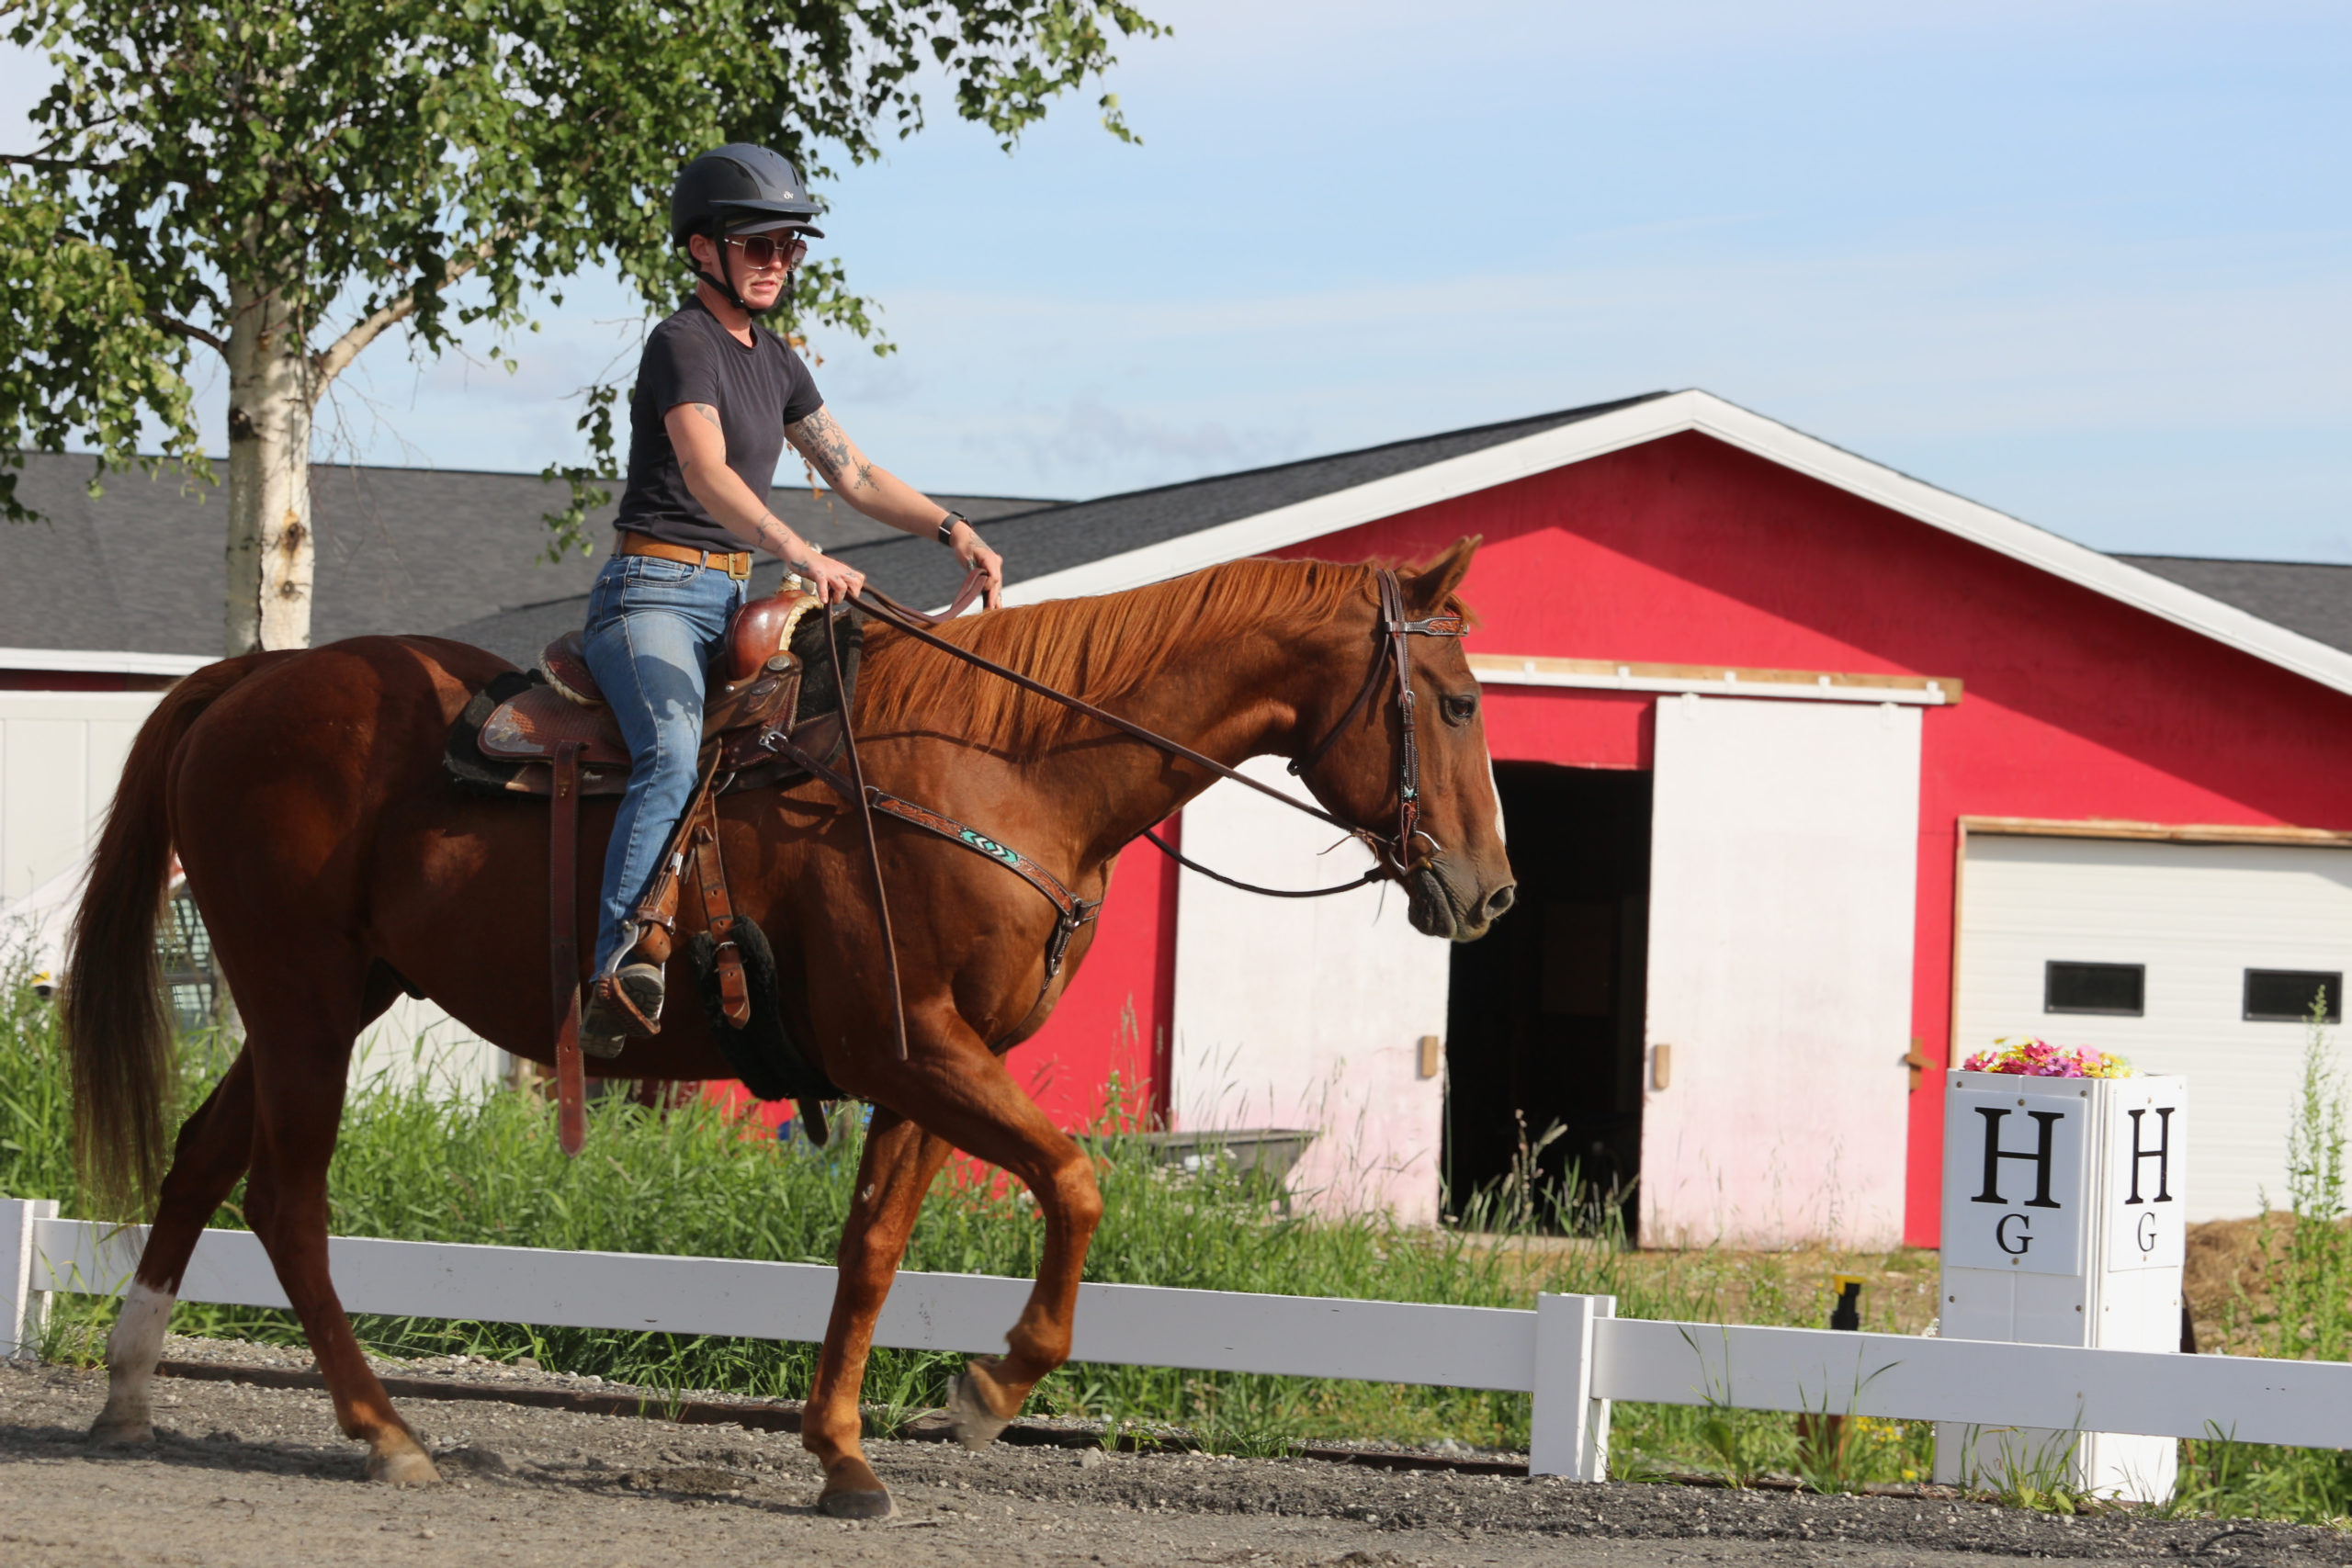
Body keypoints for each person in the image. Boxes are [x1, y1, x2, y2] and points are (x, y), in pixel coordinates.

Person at [579, 142, 1004, 1051]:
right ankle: (617, 966)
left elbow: (853, 475)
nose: (778, 260)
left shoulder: (778, 362)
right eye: (759, 243)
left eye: (790, 246)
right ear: (702, 250)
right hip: (651, 592)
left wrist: (952, 529)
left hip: (737, 604)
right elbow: (703, 472)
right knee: (671, 750)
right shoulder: (681, 343)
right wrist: (796, 548)